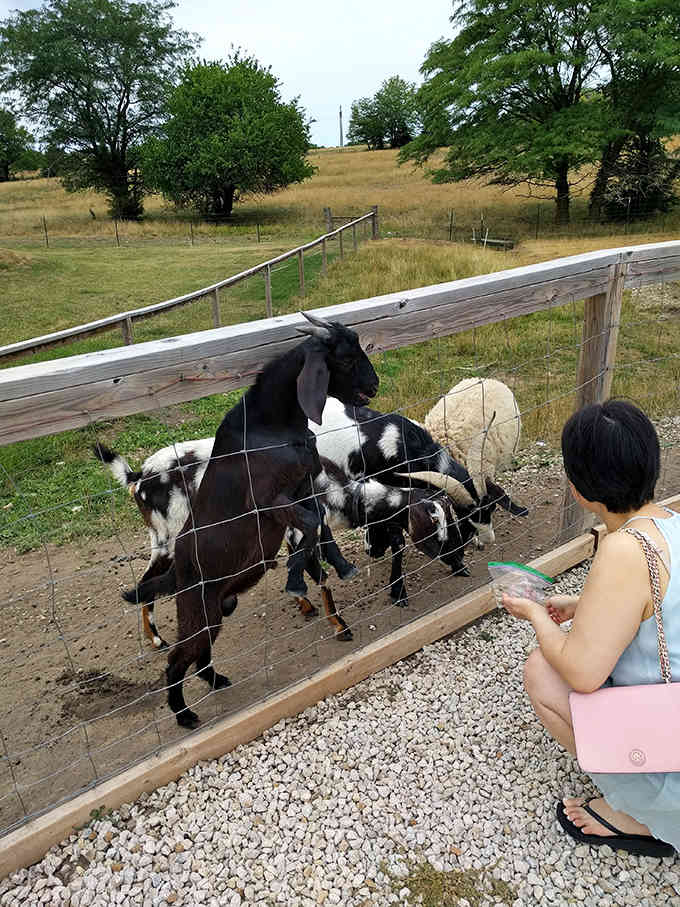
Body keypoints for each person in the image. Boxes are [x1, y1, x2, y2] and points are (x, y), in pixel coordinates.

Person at [502, 399, 678, 857]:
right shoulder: (671, 525)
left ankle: (643, 814)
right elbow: (660, 598)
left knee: (543, 669)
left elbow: (582, 674)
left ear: (581, 489)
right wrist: (582, 604)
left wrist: (538, 615)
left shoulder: (624, 550)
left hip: (669, 746)